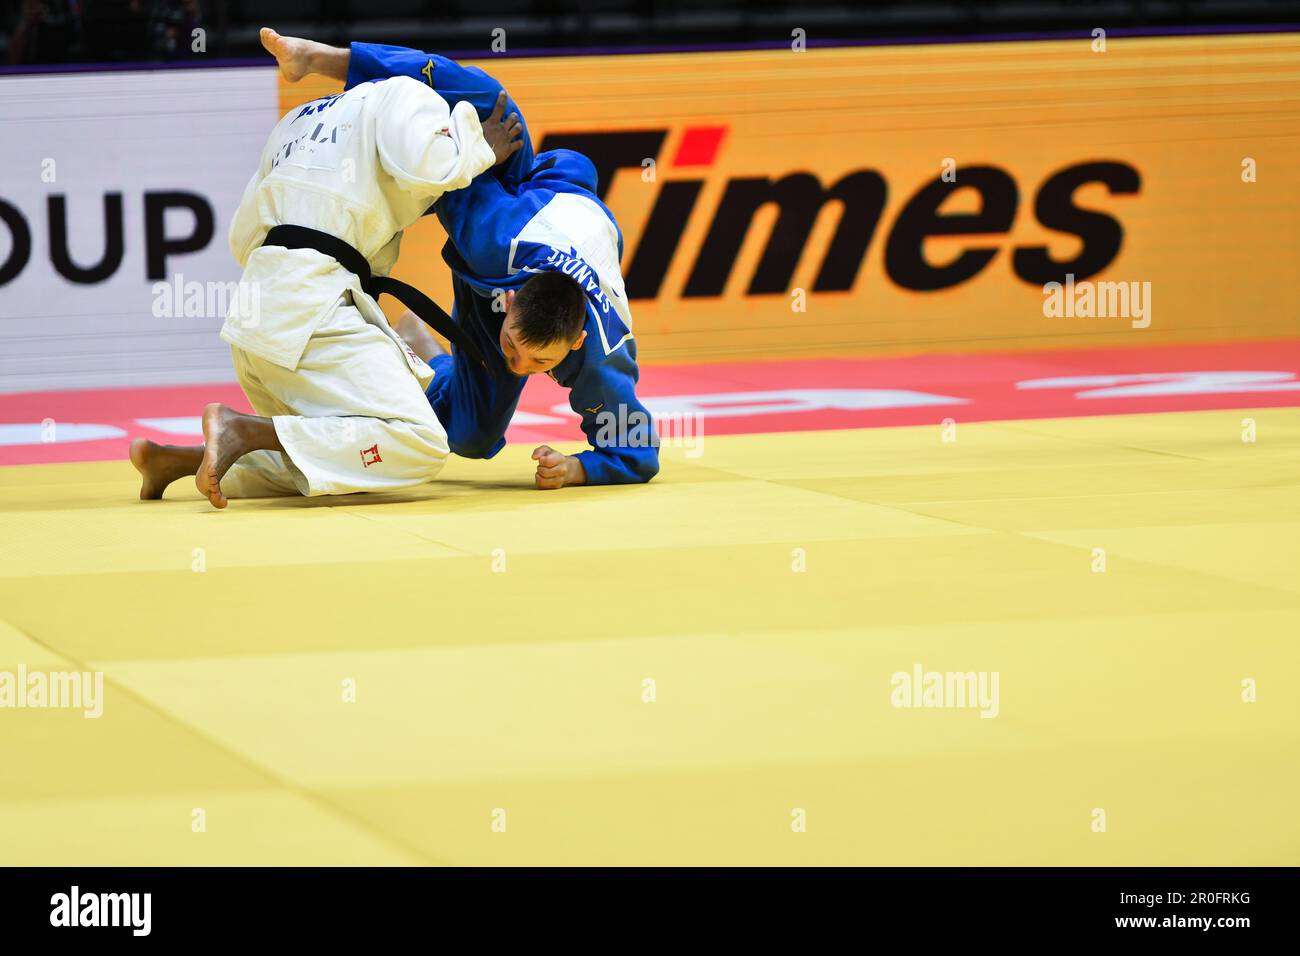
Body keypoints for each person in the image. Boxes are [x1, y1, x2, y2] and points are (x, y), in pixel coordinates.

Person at [261, 29, 660, 490]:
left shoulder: (602, 352)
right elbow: (457, 180)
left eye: (537, 362)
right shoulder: (492, 244)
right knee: (485, 98)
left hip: (567, 213)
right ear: (507, 305)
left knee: (471, 437)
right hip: (528, 197)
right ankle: (319, 56)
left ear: (577, 343)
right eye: (510, 347)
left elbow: (638, 454)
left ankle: (424, 349)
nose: (517, 366)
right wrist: (479, 148)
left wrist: (578, 468)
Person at [129, 73, 523, 508]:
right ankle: (243, 429)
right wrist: (479, 145)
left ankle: (181, 461)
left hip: (257, 316)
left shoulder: (296, 120)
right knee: (420, 440)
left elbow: (242, 238)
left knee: (346, 454)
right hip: (313, 309)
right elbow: (425, 165)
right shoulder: (404, 92)